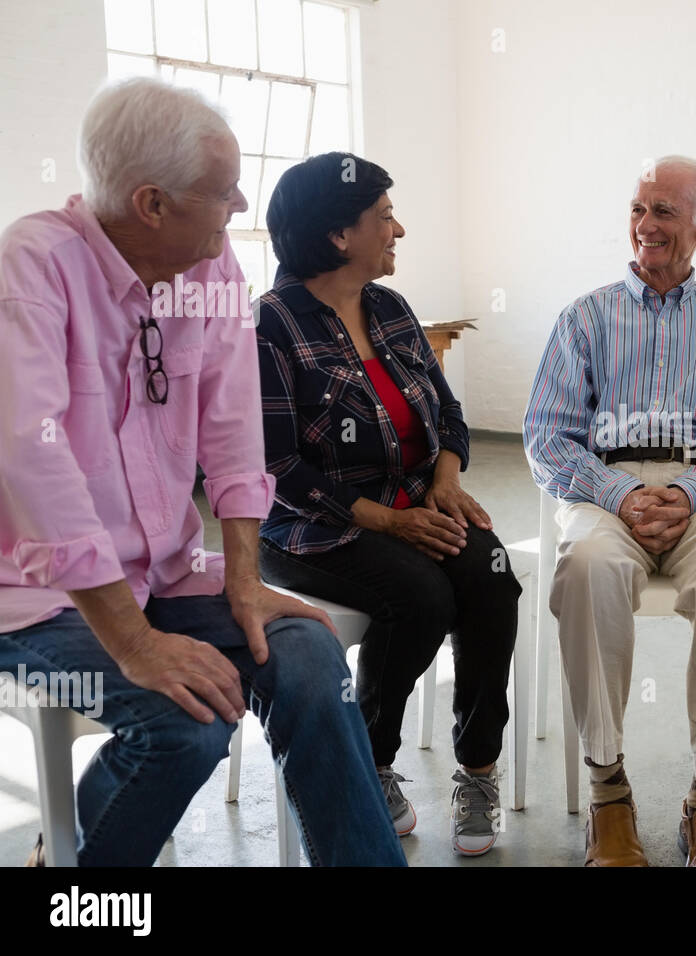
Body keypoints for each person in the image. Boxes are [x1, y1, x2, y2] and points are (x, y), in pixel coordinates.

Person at [0, 78, 405, 866]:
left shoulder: (210, 272)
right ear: (151, 203)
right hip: (39, 596)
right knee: (184, 727)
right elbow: (31, 454)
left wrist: (244, 580)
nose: (242, 207)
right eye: (222, 193)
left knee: (312, 663)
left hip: (169, 572)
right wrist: (134, 642)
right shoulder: (33, 266)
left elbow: (231, 433)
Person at [255, 152, 519, 856]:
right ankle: (370, 761)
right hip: (311, 529)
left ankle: (478, 768)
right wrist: (390, 521)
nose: (398, 229)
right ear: (340, 235)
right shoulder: (273, 325)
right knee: (423, 596)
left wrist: (445, 484)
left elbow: (452, 418)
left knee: (492, 576)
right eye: (384, 217)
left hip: (413, 504)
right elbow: (277, 466)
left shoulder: (393, 310)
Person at [523, 156, 696, 866]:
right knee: (590, 564)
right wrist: (619, 496)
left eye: (665, 211)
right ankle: (608, 789)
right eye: (639, 209)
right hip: (607, 483)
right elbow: (547, 435)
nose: (646, 225)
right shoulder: (584, 318)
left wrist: (690, 492)